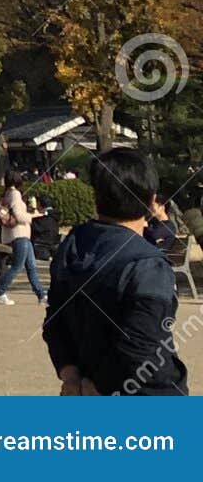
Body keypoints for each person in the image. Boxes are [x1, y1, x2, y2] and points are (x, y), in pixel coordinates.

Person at [44, 147, 188, 396]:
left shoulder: (73, 244)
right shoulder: (147, 264)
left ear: (95, 195)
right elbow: (141, 347)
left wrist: (71, 376)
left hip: (83, 383)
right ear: (152, 200)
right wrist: (100, 386)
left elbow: (55, 320)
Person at [0, 169, 44, 306]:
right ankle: (0, 291)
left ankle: (41, 295)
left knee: (31, 266)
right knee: (18, 266)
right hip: (20, 234)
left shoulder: (6, 194)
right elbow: (19, 216)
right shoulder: (15, 194)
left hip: (15, 235)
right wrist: (33, 216)